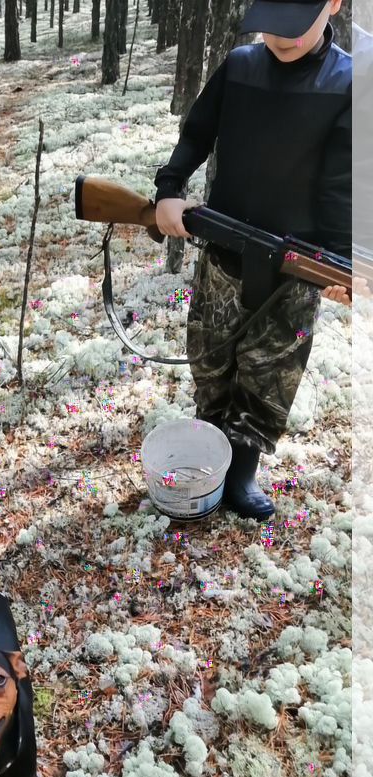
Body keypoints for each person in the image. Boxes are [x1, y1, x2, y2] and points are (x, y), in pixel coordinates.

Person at [153, 0, 351, 520]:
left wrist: (341, 263)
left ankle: (239, 479)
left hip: (294, 274)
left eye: (293, 23)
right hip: (222, 253)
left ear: (334, 3)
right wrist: (169, 189)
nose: (278, 37)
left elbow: (342, 185)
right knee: (211, 364)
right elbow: (197, 132)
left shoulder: (350, 83)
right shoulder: (239, 66)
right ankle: (207, 463)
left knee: (268, 378)